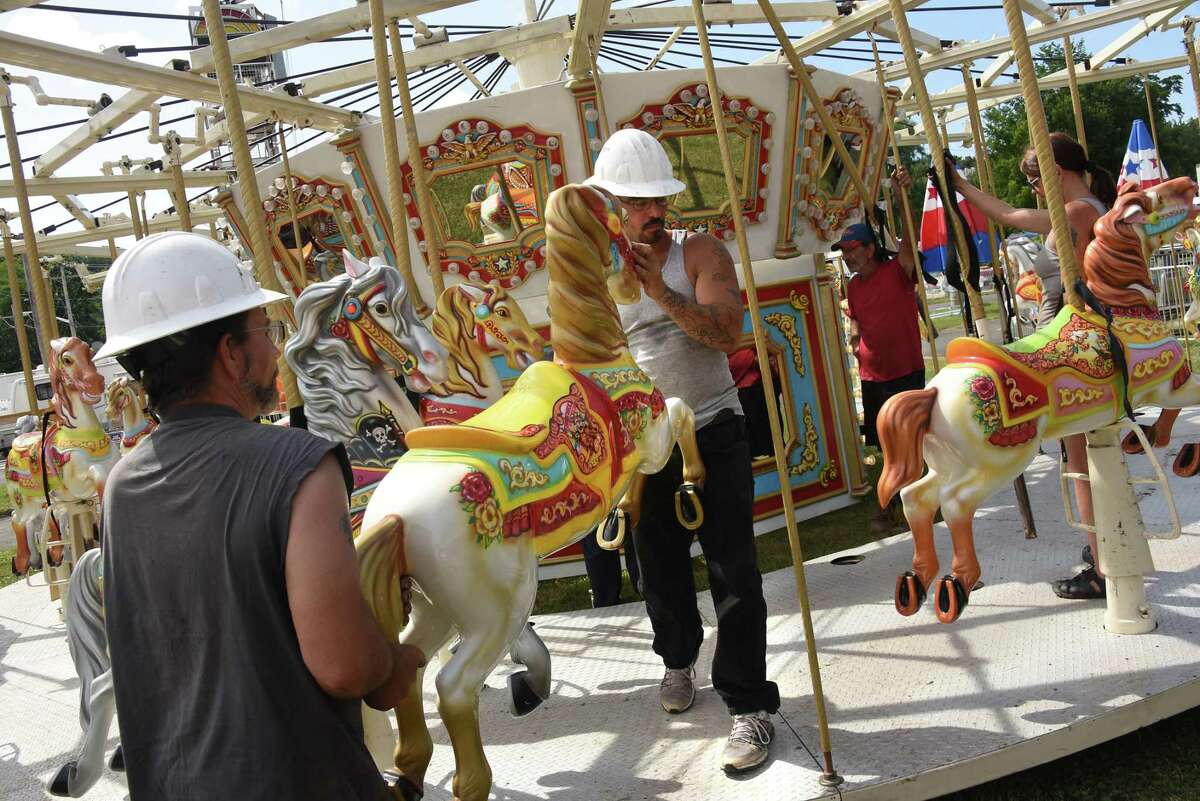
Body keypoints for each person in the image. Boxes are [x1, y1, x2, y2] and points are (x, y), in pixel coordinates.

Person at [95, 231, 424, 800]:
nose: (275, 351)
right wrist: (393, 663)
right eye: (265, 333)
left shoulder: (121, 486)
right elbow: (343, 665)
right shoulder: (299, 464)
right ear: (228, 351)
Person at [586, 128, 780, 775]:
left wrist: (662, 294)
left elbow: (728, 333)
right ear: (613, 206)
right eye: (635, 202)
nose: (649, 211)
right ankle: (676, 657)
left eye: (655, 199)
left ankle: (749, 703)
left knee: (734, 572)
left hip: (714, 427)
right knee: (658, 572)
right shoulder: (603, 277)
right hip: (647, 447)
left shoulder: (698, 252)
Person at [948, 131, 1134, 600]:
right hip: (1071, 333)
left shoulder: (1077, 213)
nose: (1032, 187)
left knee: (1078, 459)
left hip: (1071, 340)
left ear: (1057, 172)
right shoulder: (1082, 207)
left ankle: (1101, 562)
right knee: (1081, 455)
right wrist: (960, 185)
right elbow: (1008, 214)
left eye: (1035, 177)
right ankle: (1103, 551)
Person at [835, 176, 923, 533]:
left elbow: (910, 241)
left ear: (870, 248)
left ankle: (913, 505)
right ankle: (889, 506)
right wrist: (856, 345)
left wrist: (902, 196)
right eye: (843, 251)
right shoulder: (852, 287)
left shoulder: (897, 271)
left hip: (904, 372)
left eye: (852, 248)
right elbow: (856, 322)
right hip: (874, 376)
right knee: (887, 447)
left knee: (910, 443)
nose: (848, 256)